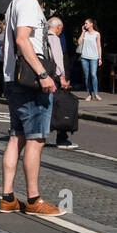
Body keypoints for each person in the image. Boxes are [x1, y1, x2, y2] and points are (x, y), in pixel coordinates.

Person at [0, 0, 64, 216]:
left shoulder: (17, 2)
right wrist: (43, 74)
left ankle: (7, 197)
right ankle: (34, 199)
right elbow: (23, 40)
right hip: (30, 81)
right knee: (36, 140)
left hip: (14, 80)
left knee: (17, 137)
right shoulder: (27, 3)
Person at [47, 17, 78, 149]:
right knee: (61, 106)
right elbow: (58, 59)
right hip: (54, 78)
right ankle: (62, 138)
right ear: (58, 27)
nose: (61, 31)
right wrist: (62, 77)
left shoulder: (42, 37)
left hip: (44, 77)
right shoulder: (54, 38)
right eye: (61, 28)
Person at [79, 19, 102, 101]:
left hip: (94, 57)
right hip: (84, 57)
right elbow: (79, 42)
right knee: (87, 76)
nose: (85, 25)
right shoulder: (84, 33)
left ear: (91, 24)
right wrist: (82, 32)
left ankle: (96, 93)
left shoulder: (97, 34)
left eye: (86, 23)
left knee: (93, 75)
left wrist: (100, 58)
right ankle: (89, 94)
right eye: (84, 23)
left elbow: (99, 46)